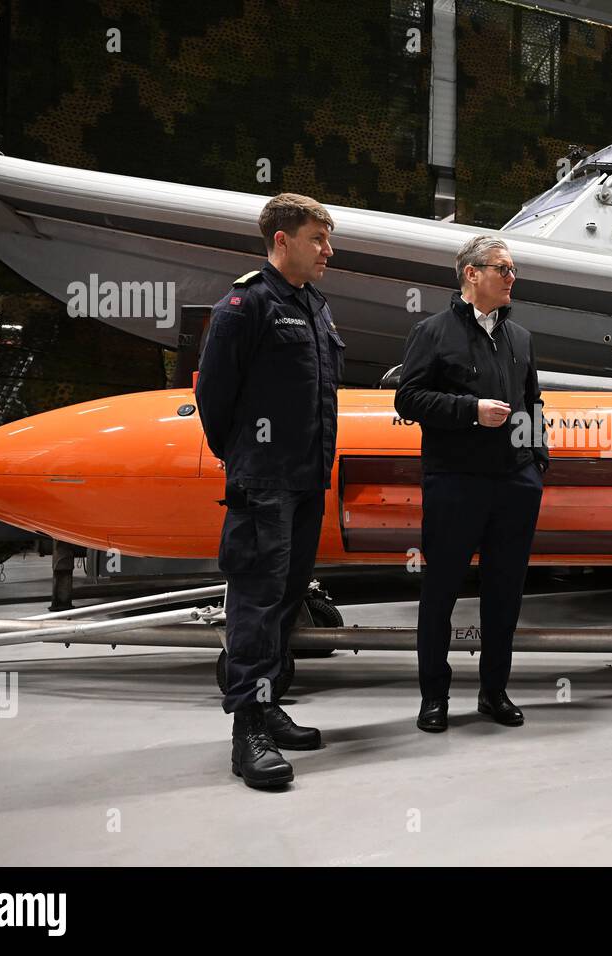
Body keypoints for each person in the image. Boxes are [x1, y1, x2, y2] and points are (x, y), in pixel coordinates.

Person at [195, 193, 343, 789]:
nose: (327, 251)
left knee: (285, 595)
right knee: (255, 600)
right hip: (264, 481)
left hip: (307, 477)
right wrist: (246, 460)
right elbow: (214, 399)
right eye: (317, 239)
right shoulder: (245, 304)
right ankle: (246, 731)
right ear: (282, 241)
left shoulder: (314, 306)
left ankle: (267, 701)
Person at [394, 236, 549, 733]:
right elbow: (409, 399)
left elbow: (534, 403)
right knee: (440, 593)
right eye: (502, 268)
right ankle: (433, 697)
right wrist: (470, 412)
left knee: (505, 593)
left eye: (512, 269)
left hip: (514, 485)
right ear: (470, 274)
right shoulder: (431, 332)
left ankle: (494, 691)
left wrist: (535, 461)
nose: (511, 277)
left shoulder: (521, 338)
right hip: (455, 482)